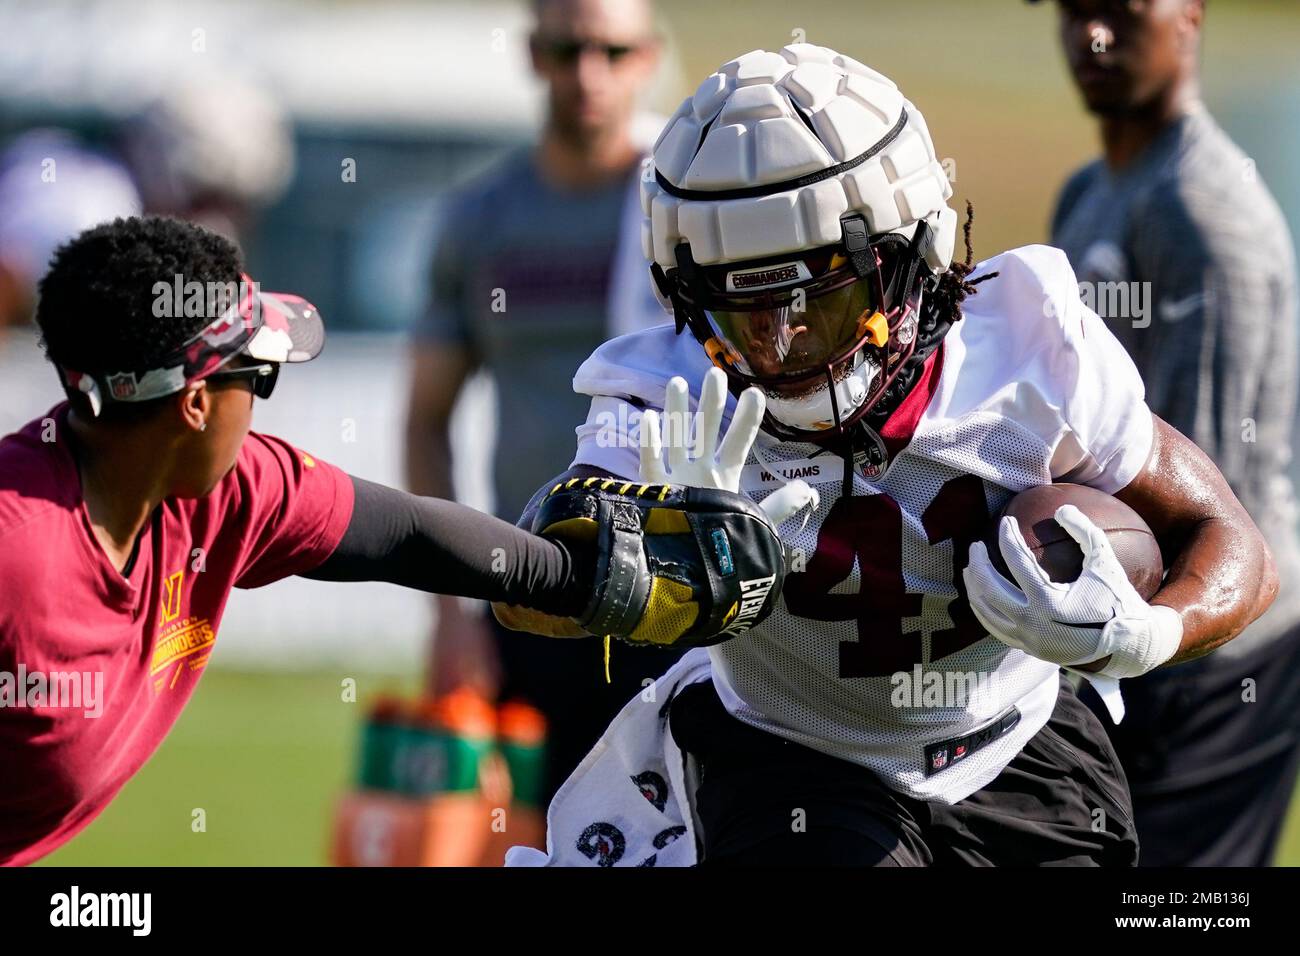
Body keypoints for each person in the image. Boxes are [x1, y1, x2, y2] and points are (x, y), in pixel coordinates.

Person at [509, 43, 1276, 867]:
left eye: (817, 298)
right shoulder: (667, 397)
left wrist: (1149, 633)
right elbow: (533, 579)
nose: (782, 340)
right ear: (688, 298)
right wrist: (633, 563)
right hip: (789, 751)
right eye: (744, 310)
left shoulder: (1028, 351)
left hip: (1012, 738)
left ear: (906, 260)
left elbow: (1233, 544)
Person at [0, 215, 784, 865]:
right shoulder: (20, 558)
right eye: (257, 377)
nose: (263, 406)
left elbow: (404, 533)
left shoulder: (227, 493)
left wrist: (595, 578)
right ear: (196, 405)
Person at [1040, 0, 1300, 866]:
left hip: (1218, 663)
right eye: (1077, 12)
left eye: (1121, 10)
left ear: (1189, 13)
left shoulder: (1204, 216)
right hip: (1123, 635)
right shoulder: (1089, 190)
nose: (1094, 36)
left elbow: (1220, 501)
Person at [405, 0, 672, 803]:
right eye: (566, 49)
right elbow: (427, 418)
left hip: (672, 596)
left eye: (611, 50)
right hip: (527, 592)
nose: (587, 72)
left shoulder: (685, 209)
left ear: (648, 58)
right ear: (533, 56)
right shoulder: (481, 217)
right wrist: (451, 614)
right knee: (531, 842)